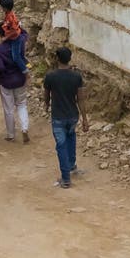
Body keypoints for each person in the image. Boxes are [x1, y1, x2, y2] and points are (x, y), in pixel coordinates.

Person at [44, 47, 89, 188]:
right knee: (71, 138)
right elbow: (81, 99)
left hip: (58, 116)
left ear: (57, 59)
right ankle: (72, 165)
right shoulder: (76, 77)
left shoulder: (50, 76)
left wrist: (46, 104)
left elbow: (46, 94)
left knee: (61, 145)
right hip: (73, 115)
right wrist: (85, 119)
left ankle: (66, 178)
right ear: (70, 59)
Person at [0, 23, 30, 143]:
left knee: (8, 109)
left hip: (6, 81)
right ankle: (24, 128)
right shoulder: (20, 42)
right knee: (22, 104)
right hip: (20, 78)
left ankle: (11, 134)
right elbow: (25, 34)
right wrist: (16, 25)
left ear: (0, 34)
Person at [0, 0, 28, 74]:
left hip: (15, 38)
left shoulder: (10, 17)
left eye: (2, 7)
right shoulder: (8, 14)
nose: (1, 8)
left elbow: (14, 31)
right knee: (18, 53)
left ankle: (25, 71)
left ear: (5, 8)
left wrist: (5, 38)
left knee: (16, 57)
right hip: (14, 37)